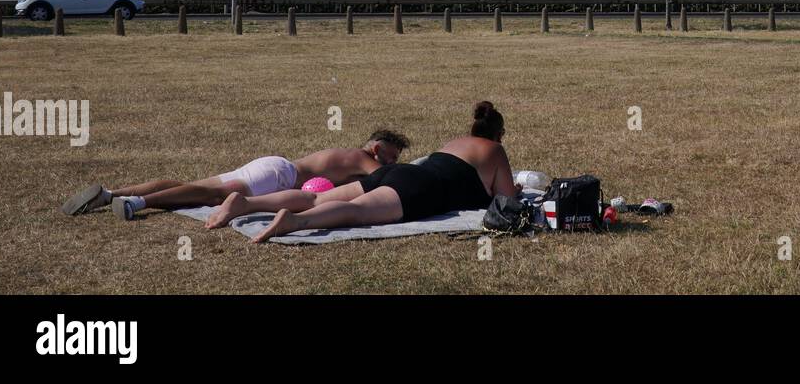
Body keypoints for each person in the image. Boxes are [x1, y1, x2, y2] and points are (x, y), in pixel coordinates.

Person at [206, 101, 517, 243]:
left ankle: (246, 204)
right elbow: (506, 200)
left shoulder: (456, 142)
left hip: (402, 173)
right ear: (498, 134)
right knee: (354, 213)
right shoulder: (495, 150)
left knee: (316, 198)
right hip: (420, 191)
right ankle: (295, 222)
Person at [61, 129, 411, 220]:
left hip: (271, 167)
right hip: (277, 177)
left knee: (192, 188)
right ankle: (137, 202)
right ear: (378, 148)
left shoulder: (348, 158)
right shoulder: (363, 157)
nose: (391, 165)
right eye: (392, 158)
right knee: (209, 195)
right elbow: (384, 179)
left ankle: (110, 194)